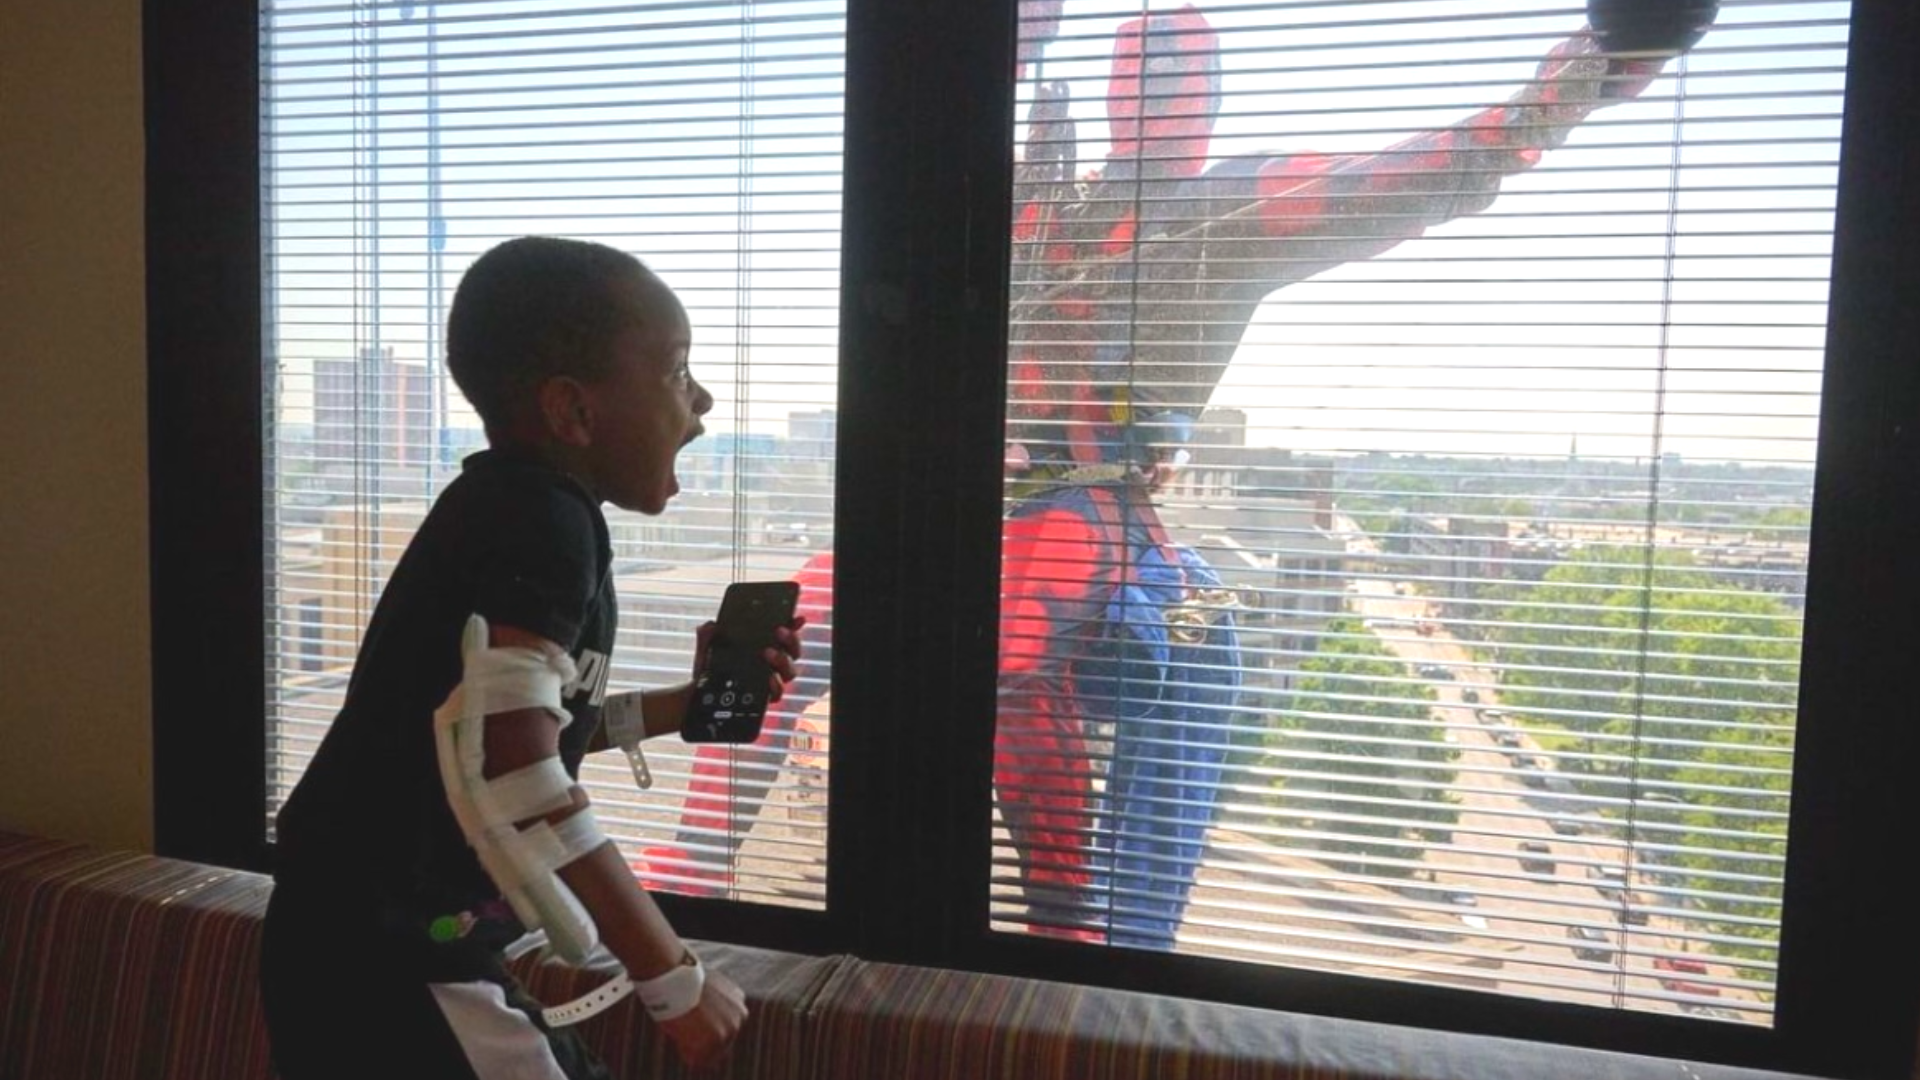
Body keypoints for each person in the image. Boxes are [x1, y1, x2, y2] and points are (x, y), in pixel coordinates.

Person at [649, 0, 1713, 948]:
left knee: (1017, 626)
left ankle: (1065, 920)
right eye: (1137, 67)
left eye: (1178, 71)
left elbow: (1432, 169)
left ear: (1209, 100)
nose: (1152, 87)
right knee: (778, 609)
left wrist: (1593, 66)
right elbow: (933, 146)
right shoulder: (1034, 194)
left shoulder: (1225, 211)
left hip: (1085, 511)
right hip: (952, 507)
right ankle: (687, 877)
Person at [260, 236, 805, 1079]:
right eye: (674, 370)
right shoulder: (548, 521)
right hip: (392, 948)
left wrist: (688, 702)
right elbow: (514, 771)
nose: (700, 400)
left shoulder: (511, 507)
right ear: (573, 412)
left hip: (364, 937)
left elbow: (501, 737)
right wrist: (670, 974)